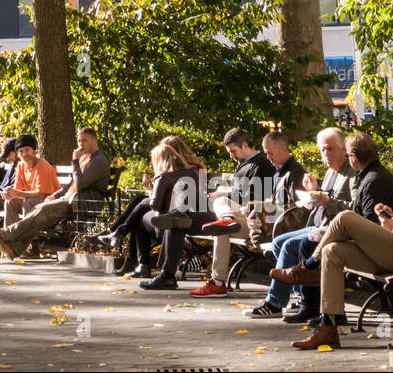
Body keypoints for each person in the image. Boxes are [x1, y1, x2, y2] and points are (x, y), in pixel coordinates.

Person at [270, 133, 393, 348]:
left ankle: (306, 267)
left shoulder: (384, 180)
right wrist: (391, 219)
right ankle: (328, 327)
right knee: (331, 251)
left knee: (345, 218)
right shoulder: (371, 177)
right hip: (391, 247)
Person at [247, 126, 354, 320]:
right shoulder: (331, 171)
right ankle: (300, 293)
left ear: (343, 149)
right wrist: (313, 190)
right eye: (322, 149)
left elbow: (354, 207)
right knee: (279, 242)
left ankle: (275, 302)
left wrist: (326, 200)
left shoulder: (351, 172)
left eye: (330, 149)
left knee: (290, 246)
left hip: (334, 229)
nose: (325, 154)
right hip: (320, 224)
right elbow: (324, 198)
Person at [0, 126, 110, 260]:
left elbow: (80, 184)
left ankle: (7, 235)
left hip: (82, 202)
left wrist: (75, 161)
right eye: (79, 141)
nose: (81, 144)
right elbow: (71, 184)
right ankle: (15, 248)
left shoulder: (99, 159)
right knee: (40, 209)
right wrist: (54, 195)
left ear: (94, 141)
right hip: (69, 198)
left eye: (84, 141)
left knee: (42, 210)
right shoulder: (85, 159)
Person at [187, 127, 276, 297]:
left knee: (220, 206)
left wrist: (223, 193)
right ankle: (218, 282)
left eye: (233, 151)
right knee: (220, 227)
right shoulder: (245, 165)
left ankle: (218, 282)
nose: (231, 155)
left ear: (244, 145)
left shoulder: (261, 165)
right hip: (241, 217)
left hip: (256, 221)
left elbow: (252, 197)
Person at [123, 140, 202, 278]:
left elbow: (157, 205)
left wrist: (151, 191)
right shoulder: (193, 169)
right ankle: (118, 231)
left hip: (172, 217)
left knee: (140, 216)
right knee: (141, 203)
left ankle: (140, 261)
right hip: (188, 212)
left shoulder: (165, 174)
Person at [0, 134, 60, 227]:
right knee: (10, 202)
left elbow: (40, 194)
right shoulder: (20, 166)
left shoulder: (42, 165)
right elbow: (17, 191)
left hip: (51, 204)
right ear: (18, 154)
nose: (24, 154)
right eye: (21, 151)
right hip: (35, 204)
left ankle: (26, 238)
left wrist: (16, 193)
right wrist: (9, 194)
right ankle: (9, 236)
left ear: (34, 151)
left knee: (29, 201)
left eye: (27, 150)